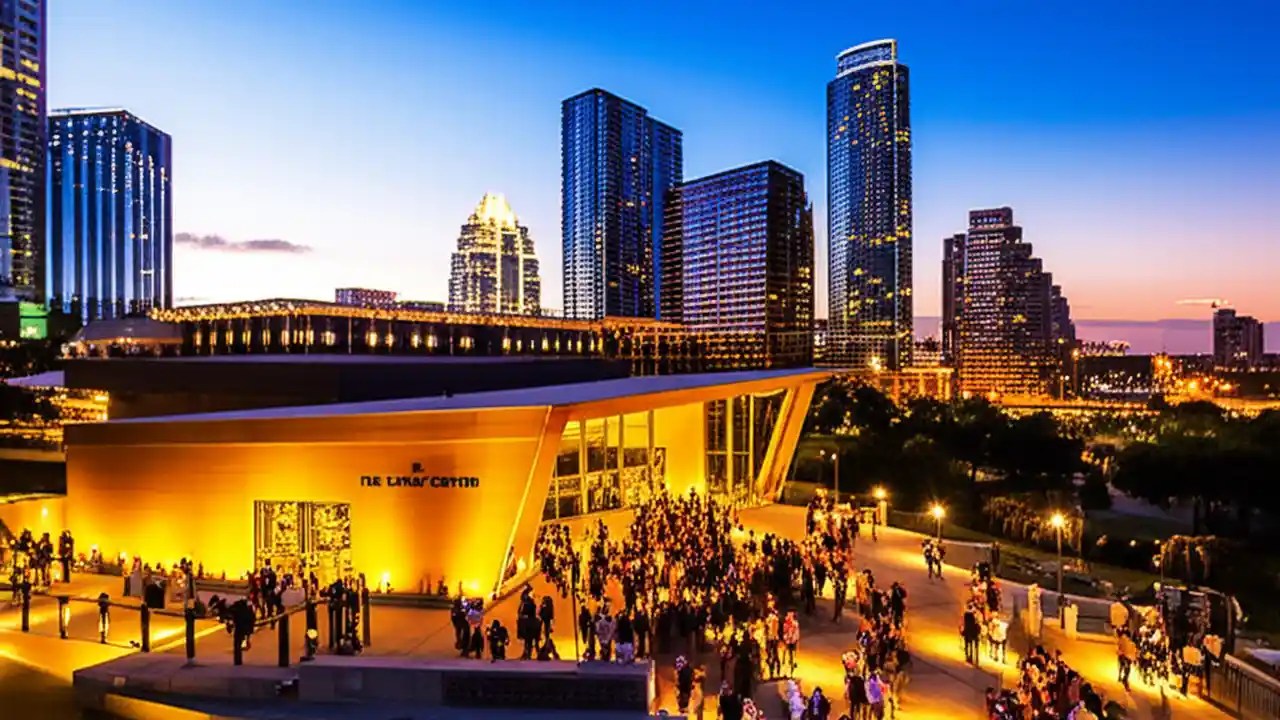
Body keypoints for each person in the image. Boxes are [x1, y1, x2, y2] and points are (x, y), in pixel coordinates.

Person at [783, 609, 800, 676]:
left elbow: (797, 633)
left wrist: (795, 639)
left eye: (790, 615)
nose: (789, 616)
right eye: (788, 614)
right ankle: (786, 672)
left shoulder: (795, 624)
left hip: (793, 641)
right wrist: (786, 638)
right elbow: (784, 632)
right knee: (786, 656)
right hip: (787, 641)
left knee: (792, 656)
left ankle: (792, 672)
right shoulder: (786, 624)